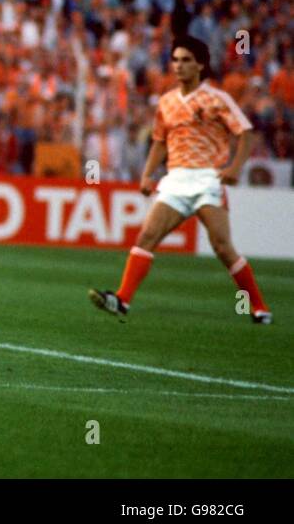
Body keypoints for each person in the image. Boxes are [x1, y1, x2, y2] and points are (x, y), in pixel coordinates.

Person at [90, 35, 272, 324]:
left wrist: (235, 167)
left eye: (186, 60)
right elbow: (160, 141)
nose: (178, 65)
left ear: (200, 64)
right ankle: (122, 300)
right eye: (175, 60)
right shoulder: (166, 101)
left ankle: (259, 307)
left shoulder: (217, 98)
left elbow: (245, 132)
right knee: (147, 236)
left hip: (207, 179)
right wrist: (148, 174)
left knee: (222, 246)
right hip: (175, 179)